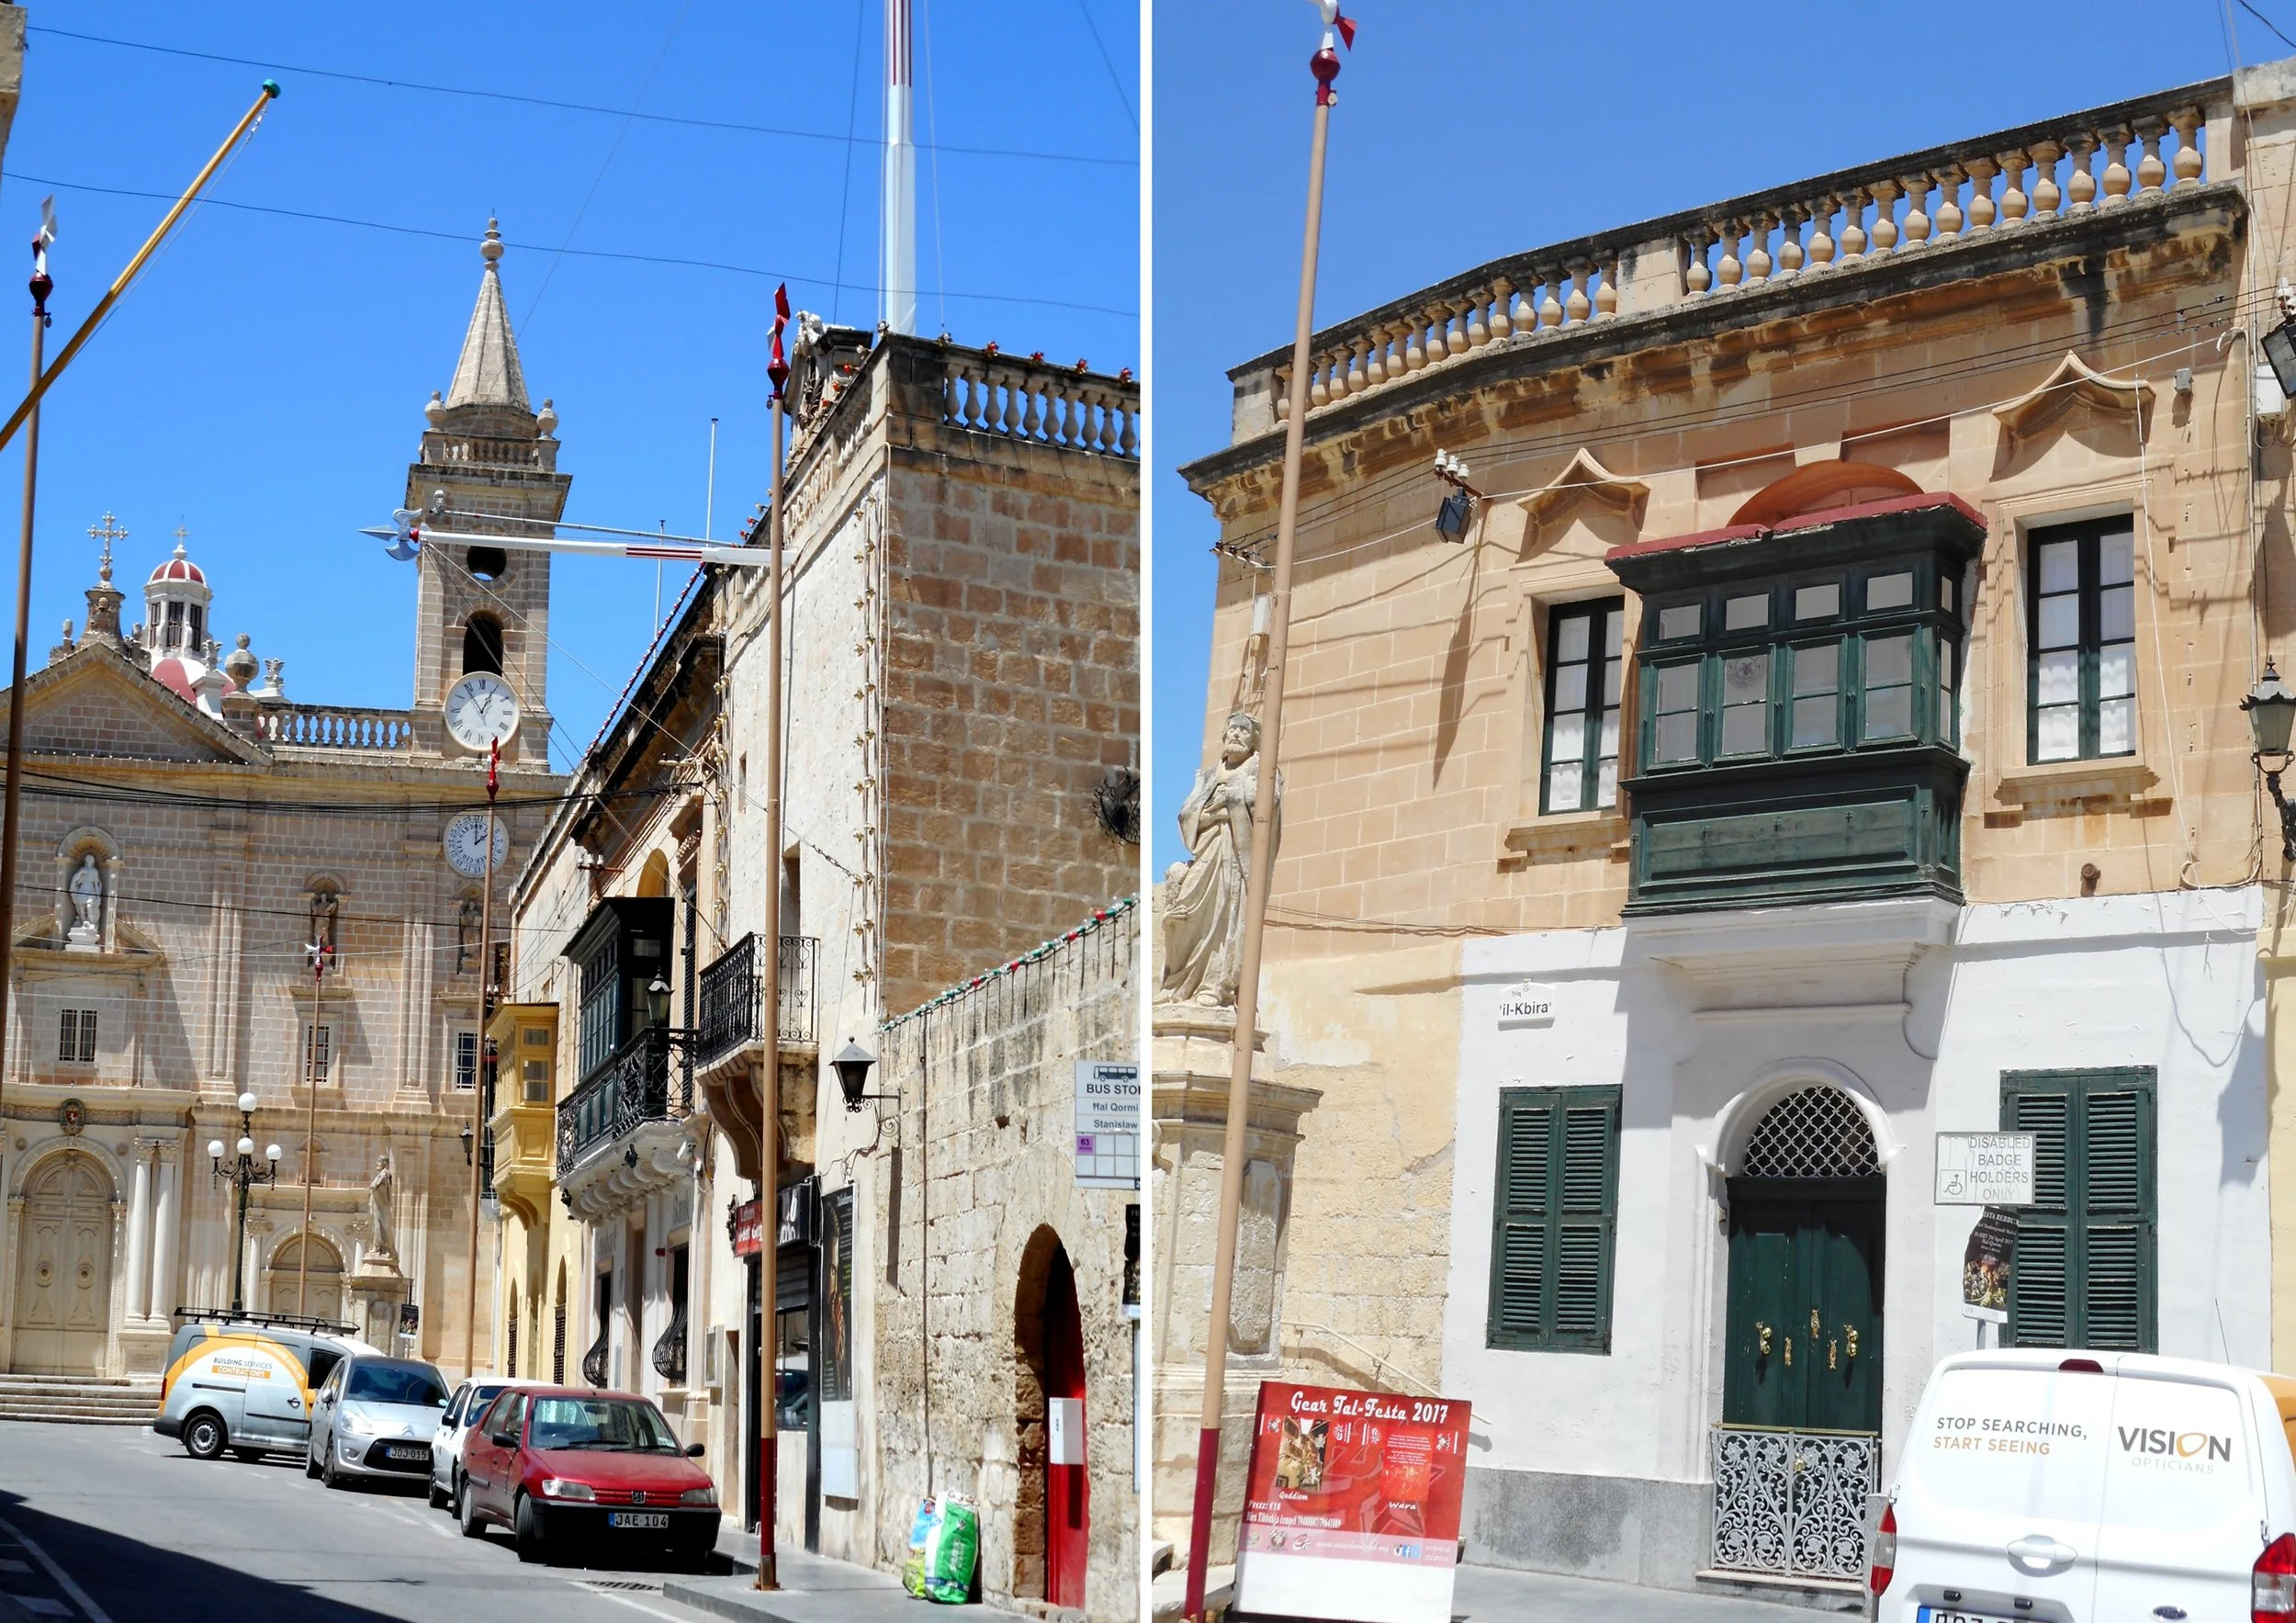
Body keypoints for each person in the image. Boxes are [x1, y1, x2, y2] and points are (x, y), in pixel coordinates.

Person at [1159, 711, 1280, 1008]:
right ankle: (1177, 984)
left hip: (1238, 860)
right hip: (1208, 852)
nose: (1236, 734)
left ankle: (1215, 985)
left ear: (1254, 740)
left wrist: (1227, 806)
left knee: (1228, 916)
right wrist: (1213, 814)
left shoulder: (1261, 770)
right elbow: (1187, 814)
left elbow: (1267, 807)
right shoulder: (1210, 774)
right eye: (1232, 729)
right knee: (1186, 912)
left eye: (1243, 730)